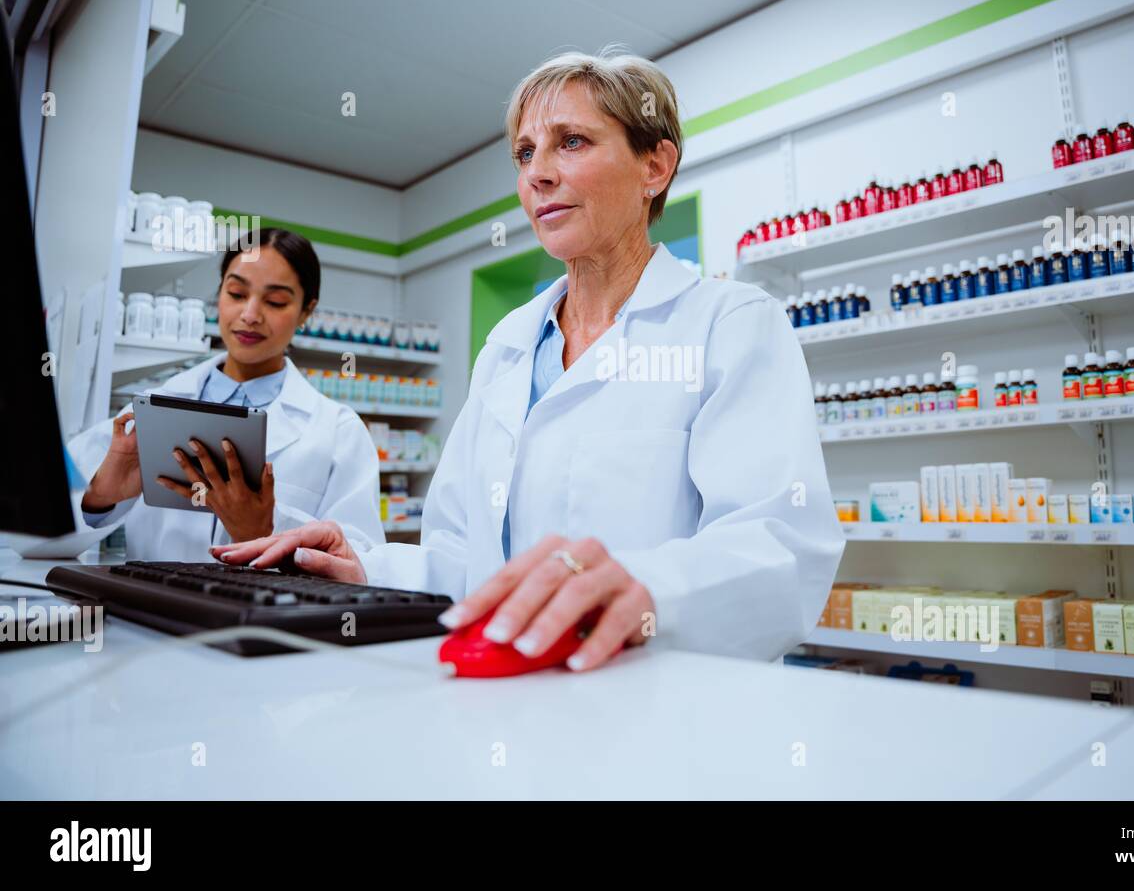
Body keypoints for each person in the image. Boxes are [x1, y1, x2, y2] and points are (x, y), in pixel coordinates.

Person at [214, 50, 843, 669]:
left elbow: (781, 544)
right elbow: (465, 556)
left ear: (655, 165)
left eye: (571, 141)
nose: (537, 174)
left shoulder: (728, 323)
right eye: (525, 152)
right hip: (511, 701)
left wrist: (651, 589)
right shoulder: (509, 346)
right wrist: (366, 566)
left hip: (666, 709)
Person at [69, 228, 383, 560]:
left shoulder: (338, 433)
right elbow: (42, 525)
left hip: (267, 612)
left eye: (275, 301)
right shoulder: (149, 409)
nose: (250, 315)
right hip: (143, 609)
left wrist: (266, 532)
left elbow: (359, 560)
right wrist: (100, 497)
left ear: (307, 311)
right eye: (235, 293)